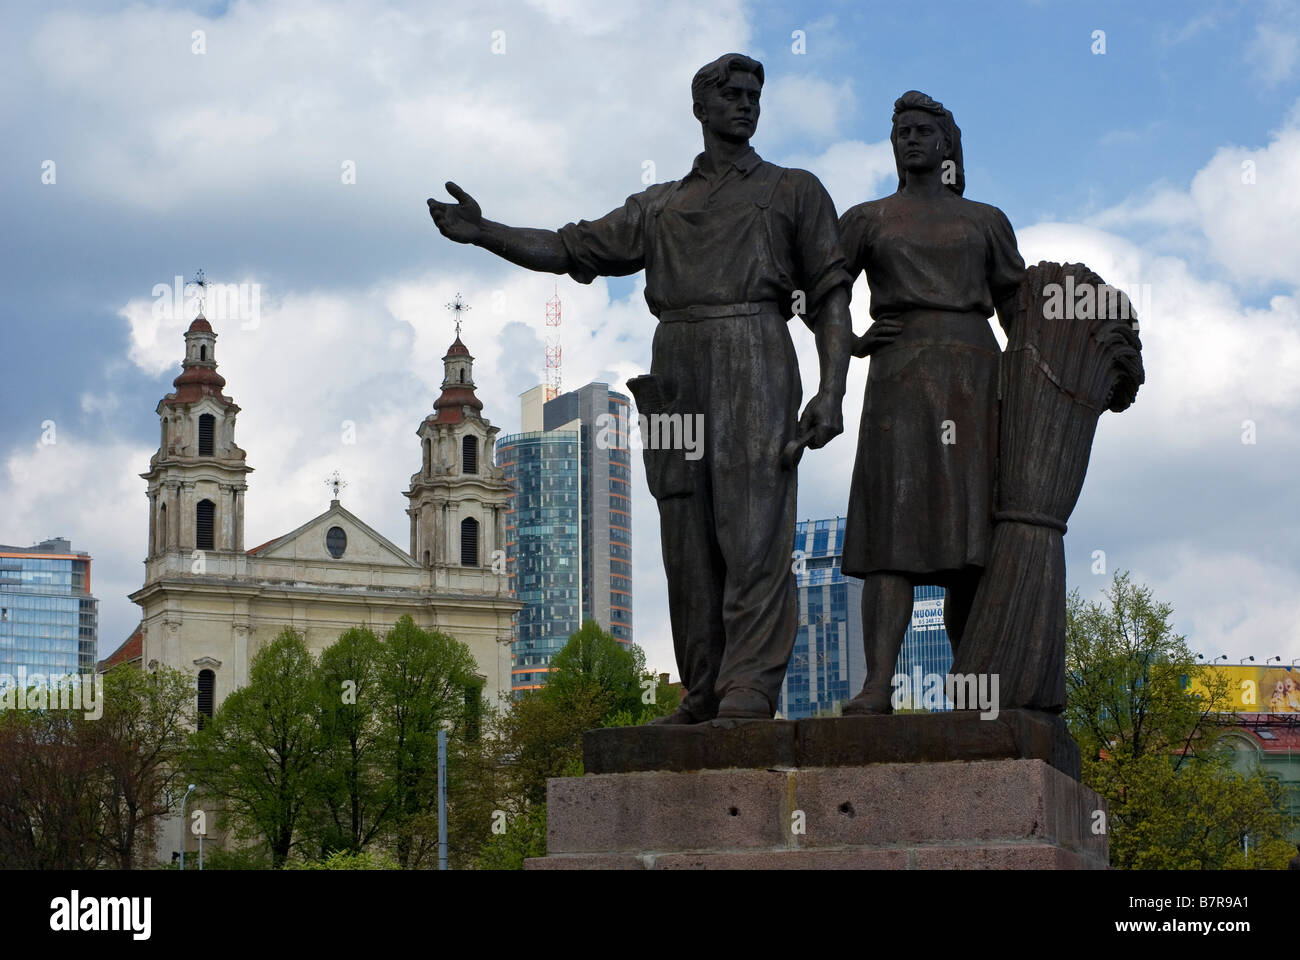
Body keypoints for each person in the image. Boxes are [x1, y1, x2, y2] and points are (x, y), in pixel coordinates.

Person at [428, 54, 854, 721]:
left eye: (753, 96)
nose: (745, 105)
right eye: (731, 95)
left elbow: (829, 294)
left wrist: (832, 390)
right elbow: (572, 247)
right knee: (684, 534)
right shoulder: (661, 205)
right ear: (701, 108)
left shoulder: (794, 190)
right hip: (677, 362)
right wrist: (485, 233)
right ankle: (703, 686)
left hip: (756, 354)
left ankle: (749, 686)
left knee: (753, 528)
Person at [837, 90, 1026, 714]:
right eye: (902, 132)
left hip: (975, 379)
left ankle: (973, 684)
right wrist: (855, 341)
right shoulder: (868, 219)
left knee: (971, 541)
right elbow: (814, 290)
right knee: (890, 537)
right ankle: (876, 686)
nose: (911, 139)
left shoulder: (985, 221)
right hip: (898, 379)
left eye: (923, 130)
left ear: (946, 144)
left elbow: (1019, 312)